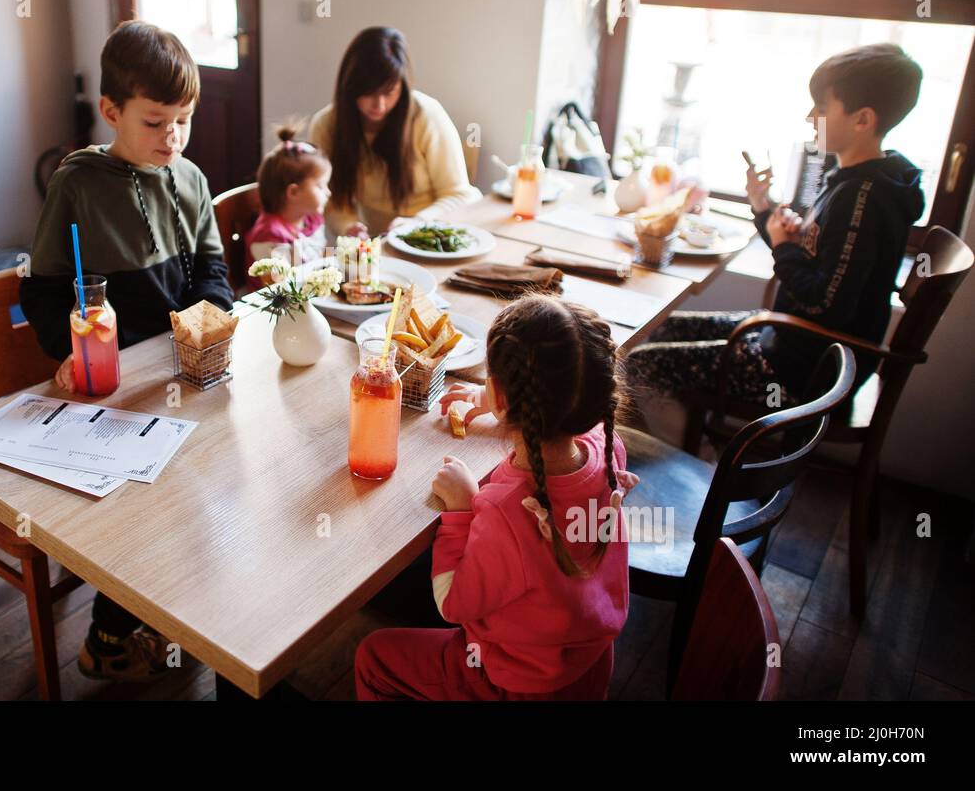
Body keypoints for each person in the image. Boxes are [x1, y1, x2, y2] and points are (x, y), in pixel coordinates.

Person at [18, 19, 234, 681]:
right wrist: (67, 348)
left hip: (184, 372)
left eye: (185, 120)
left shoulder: (190, 178)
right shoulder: (77, 186)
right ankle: (108, 636)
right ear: (111, 111)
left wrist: (211, 320)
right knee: (141, 500)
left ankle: (179, 597)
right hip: (113, 386)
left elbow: (213, 271)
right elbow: (41, 291)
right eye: (155, 121)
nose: (172, 138)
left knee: (215, 477)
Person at [354, 295, 637, 700]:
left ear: (504, 396)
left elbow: (451, 602)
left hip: (512, 682)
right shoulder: (609, 450)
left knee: (373, 657)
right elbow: (563, 403)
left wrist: (462, 510)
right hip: (586, 668)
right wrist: (489, 402)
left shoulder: (506, 510)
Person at [624, 43, 925, 405]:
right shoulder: (856, 180)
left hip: (806, 368)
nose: (810, 116)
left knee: (638, 363)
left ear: (863, 120)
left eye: (823, 107)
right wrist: (764, 209)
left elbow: (824, 305)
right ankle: (680, 448)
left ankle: (680, 457)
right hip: (787, 337)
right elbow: (824, 267)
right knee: (659, 329)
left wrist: (784, 246)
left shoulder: (862, 198)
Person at [308, 27, 481, 238]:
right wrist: (348, 226)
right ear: (350, 86)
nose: (379, 105)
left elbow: (459, 195)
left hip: (433, 236)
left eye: (389, 92)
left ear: (403, 85)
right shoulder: (327, 125)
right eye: (368, 93)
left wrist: (419, 223)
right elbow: (331, 198)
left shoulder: (426, 115)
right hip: (379, 242)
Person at [242, 123, 330, 291]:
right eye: (320, 186)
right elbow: (279, 291)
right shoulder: (269, 237)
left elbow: (321, 259)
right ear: (294, 192)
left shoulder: (311, 219)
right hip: (277, 309)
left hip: (310, 297)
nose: (328, 192)